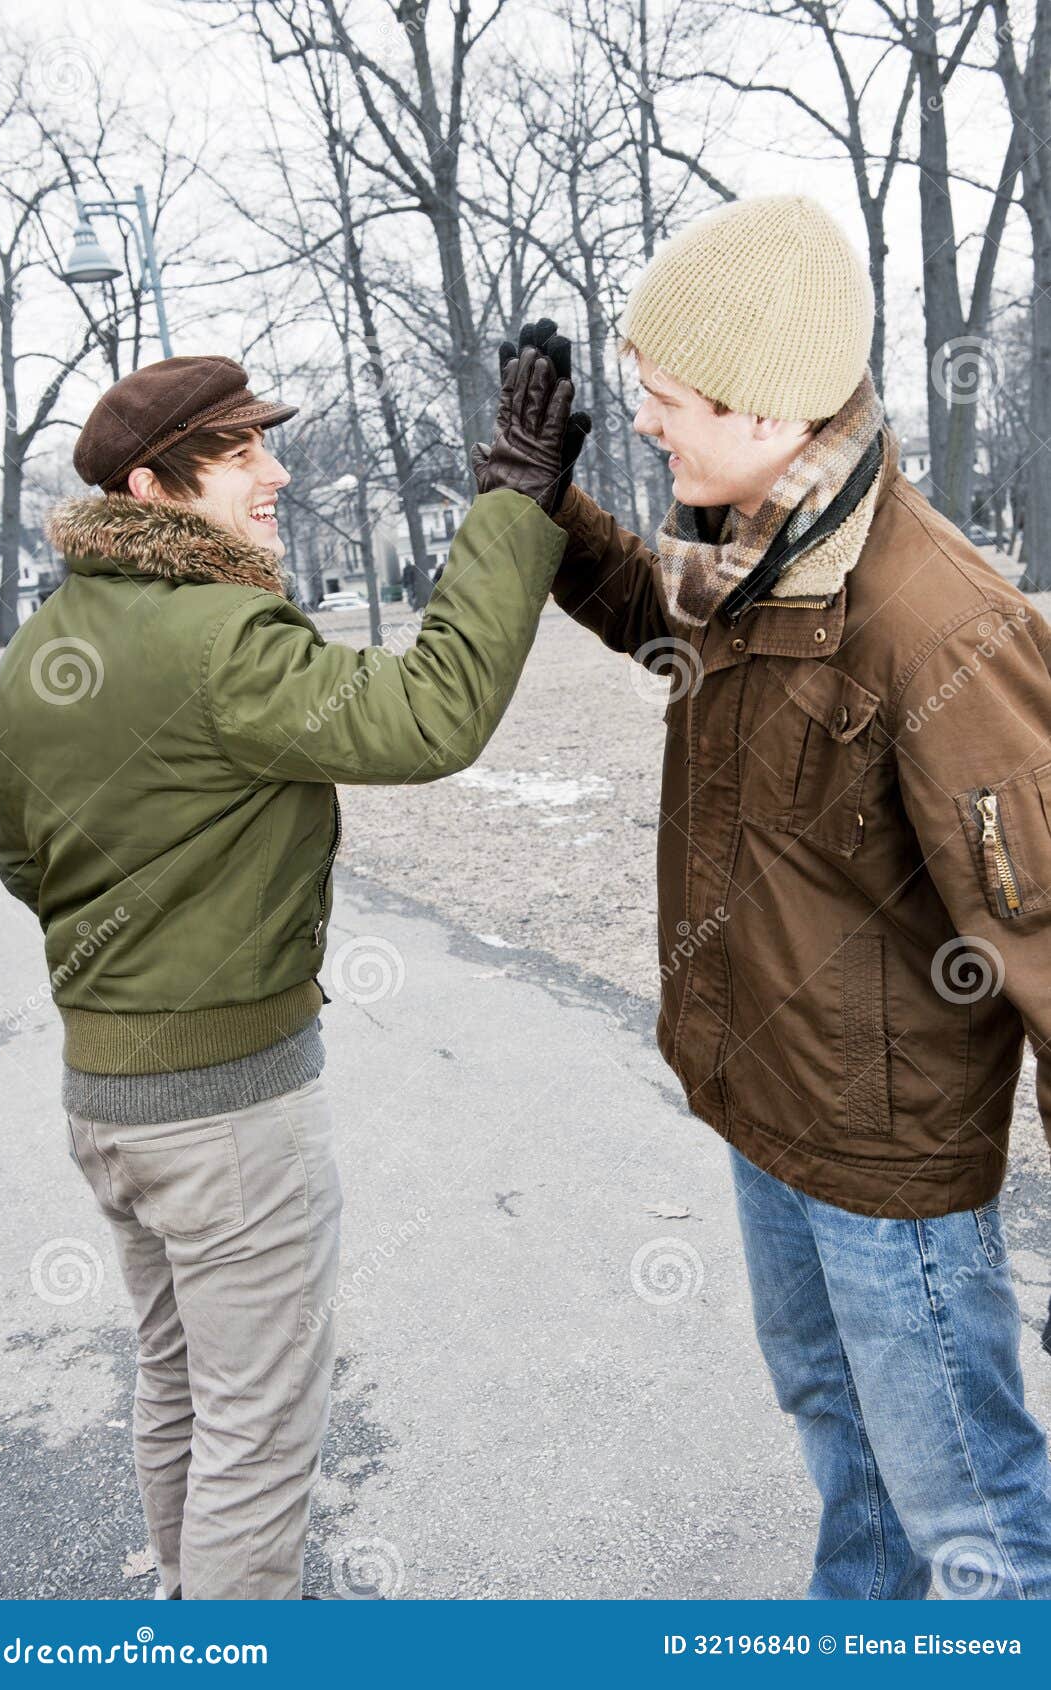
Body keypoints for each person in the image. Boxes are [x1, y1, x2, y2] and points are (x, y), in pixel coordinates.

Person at [475, 197, 1051, 1600]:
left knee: (969, 1510)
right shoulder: (760, 548)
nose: (649, 424)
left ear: (765, 407)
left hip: (885, 1165)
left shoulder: (936, 624)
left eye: (666, 402)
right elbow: (648, 612)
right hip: (767, 1106)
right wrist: (546, 509)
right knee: (835, 1428)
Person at [0, 348, 576, 1600]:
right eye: (242, 452)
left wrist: (134, 948)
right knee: (257, 1431)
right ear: (154, 485)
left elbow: (19, 854)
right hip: (226, 1113)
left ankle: (187, 1606)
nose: (277, 470)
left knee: (180, 1382)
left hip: (107, 1100)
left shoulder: (41, 648)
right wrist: (513, 505)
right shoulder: (220, 633)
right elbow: (428, 717)